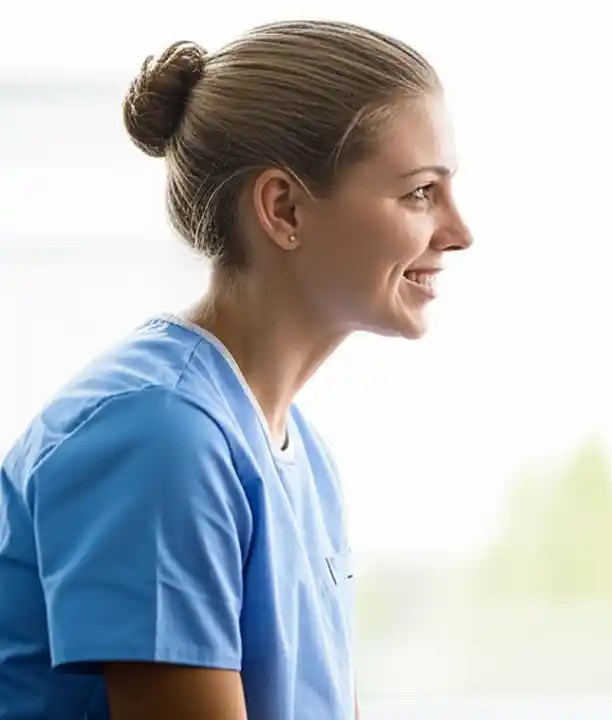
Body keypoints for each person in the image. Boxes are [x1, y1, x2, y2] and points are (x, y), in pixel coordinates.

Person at [0, 20, 470, 719]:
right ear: (283, 208)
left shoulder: (296, 453)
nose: (459, 232)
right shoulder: (156, 435)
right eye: (419, 193)